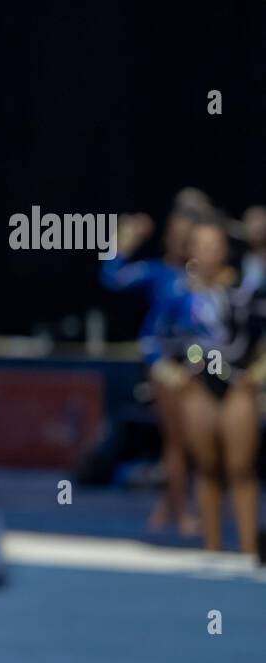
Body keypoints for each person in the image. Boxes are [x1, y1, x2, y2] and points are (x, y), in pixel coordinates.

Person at [163, 218, 266, 561]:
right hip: (198, 385)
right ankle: (212, 552)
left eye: (215, 245)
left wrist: (257, 373)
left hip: (237, 383)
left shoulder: (244, 290)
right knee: (206, 467)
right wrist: (171, 373)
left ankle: (250, 551)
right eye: (202, 245)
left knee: (241, 468)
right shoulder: (177, 292)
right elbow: (153, 338)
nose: (209, 252)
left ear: (225, 250)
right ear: (191, 250)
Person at [101, 206, 199, 536]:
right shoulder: (158, 272)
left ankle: (167, 506)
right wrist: (123, 239)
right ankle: (181, 509)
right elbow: (112, 277)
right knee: (176, 439)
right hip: (163, 363)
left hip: (200, 363)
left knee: (191, 440)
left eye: (189, 236)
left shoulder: (209, 278)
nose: (183, 242)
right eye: (177, 235)